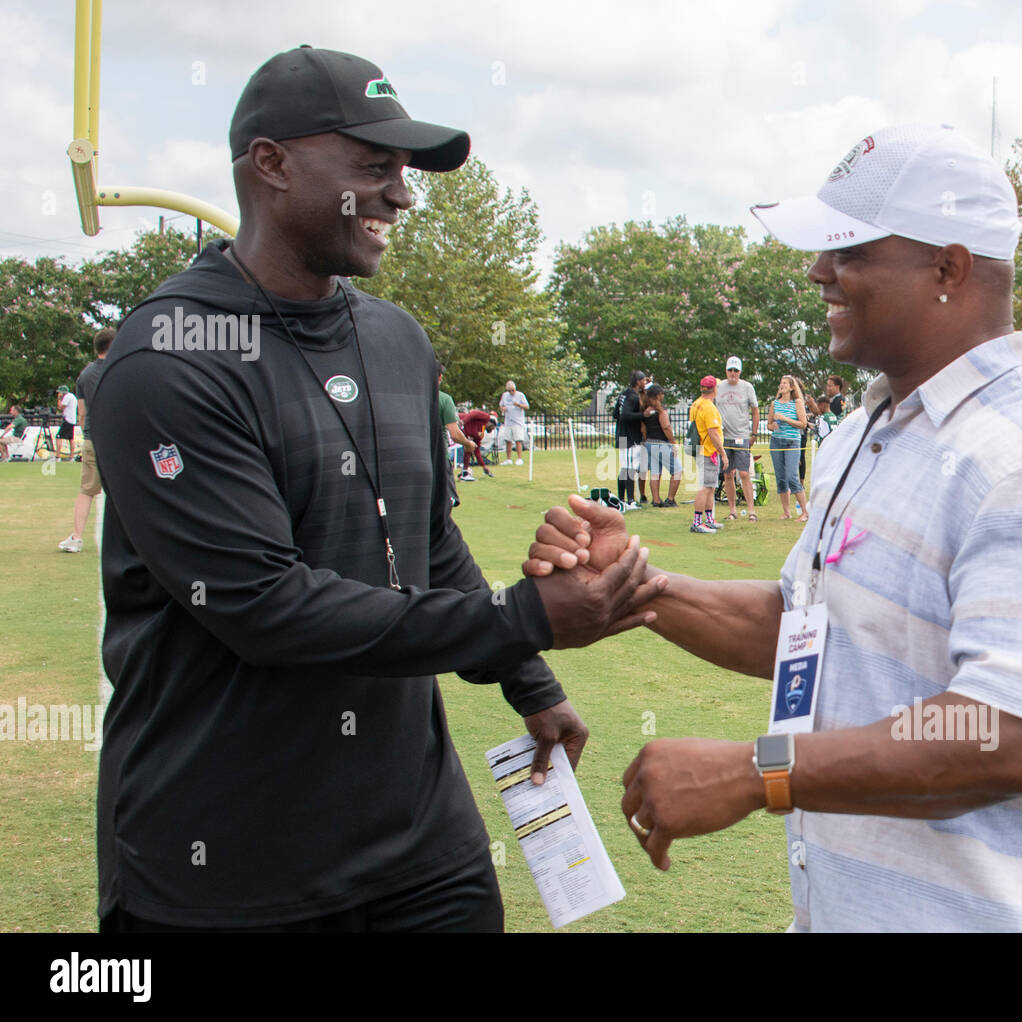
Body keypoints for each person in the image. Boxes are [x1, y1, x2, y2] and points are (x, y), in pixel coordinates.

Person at [525, 123, 1022, 931]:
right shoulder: (871, 430)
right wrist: (637, 587)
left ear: (949, 266)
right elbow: (812, 628)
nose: (818, 271)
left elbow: (1019, 732)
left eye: (851, 250)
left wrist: (759, 772)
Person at [90, 45, 660, 934]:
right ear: (271, 164)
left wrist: (528, 680)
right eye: (373, 164)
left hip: (420, 850)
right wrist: (526, 617)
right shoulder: (169, 358)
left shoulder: (396, 338)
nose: (402, 191)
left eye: (404, 168)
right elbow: (264, 608)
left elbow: (426, 540)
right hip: (223, 863)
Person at [57, 329, 115, 553]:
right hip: (117, 439)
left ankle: (77, 537)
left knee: (86, 491)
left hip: (93, 437)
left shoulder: (84, 375)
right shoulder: (118, 369)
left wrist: (87, 431)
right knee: (122, 491)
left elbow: (82, 413)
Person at [716, 356, 760, 522]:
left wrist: (753, 433)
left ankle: (751, 511)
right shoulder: (719, 387)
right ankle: (732, 510)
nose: (733, 373)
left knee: (744, 473)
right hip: (724, 437)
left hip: (741, 435)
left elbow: (755, 410)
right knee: (728, 474)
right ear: (726, 370)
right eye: (730, 370)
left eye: (736, 370)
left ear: (740, 371)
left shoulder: (747, 387)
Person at [688, 375, 728, 533]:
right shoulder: (709, 407)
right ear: (714, 389)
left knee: (711, 486)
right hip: (708, 451)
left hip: (701, 449)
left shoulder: (696, 404)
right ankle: (697, 521)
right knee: (705, 487)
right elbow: (713, 433)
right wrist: (723, 453)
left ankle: (709, 519)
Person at [767, 375, 807, 521]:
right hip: (776, 442)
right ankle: (786, 512)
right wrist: (773, 426)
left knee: (792, 476)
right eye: (781, 382)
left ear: (791, 387)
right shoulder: (775, 404)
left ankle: (804, 512)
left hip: (792, 442)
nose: (782, 385)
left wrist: (785, 419)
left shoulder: (797, 402)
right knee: (781, 478)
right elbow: (768, 424)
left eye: (785, 383)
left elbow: (803, 424)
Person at [614, 370, 651, 509]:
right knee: (629, 467)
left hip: (622, 434)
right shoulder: (633, 397)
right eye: (643, 380)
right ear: (638, 381)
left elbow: (615, 414)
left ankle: (621, 499)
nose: (645, 383)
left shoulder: (623, 394)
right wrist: (643, 415)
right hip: (630, 437)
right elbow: (625, 415)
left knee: (625, 467)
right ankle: (630, 501)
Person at [641, 383, 681, 507]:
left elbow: (643, 429)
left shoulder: (645, 411)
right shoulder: (661, 411)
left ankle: (656, 500)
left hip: (649, 443)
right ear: (659, 395)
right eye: (662, 394)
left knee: (655, 472)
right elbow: (666, 427)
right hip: (661, 443)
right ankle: (670, 499)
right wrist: (673, 443)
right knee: (678, 471)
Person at [498, 380, 529, 464]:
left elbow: (527, 407)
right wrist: (503, 409)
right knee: (508, 440)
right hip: (508, 421)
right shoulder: (504, 395)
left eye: (513, 390)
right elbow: (501, 405)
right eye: (509, 390)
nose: (511, 392)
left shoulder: (520, 395)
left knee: (518, 440)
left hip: (518, 421)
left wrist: (518, 405)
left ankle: (519, 458)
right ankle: (508, 459)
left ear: (515, 389)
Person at [458, 407, 495, 478]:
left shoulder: (480, 434)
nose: (492, 428)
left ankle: (465, 472)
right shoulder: (485, 417)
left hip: (460, 432)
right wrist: (463, 421)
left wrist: (484, 466)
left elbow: (476, 451)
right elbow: (474, 413)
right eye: (493, 425)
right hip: (457, 421)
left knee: (468, 450)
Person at [55, 384, 77, 461]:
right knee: (71, 438)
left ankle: (57, 456)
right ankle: (72, 457)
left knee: (58, 437)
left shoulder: (67, 397)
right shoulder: (73, 396)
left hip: (67, 419)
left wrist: (59, 399)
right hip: (72, 419)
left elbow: (60, 407)